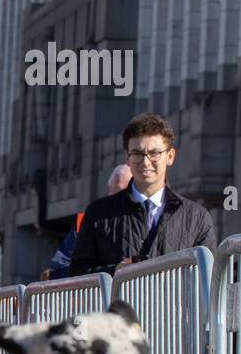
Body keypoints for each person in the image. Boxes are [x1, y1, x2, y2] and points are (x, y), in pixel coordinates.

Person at [70, 113, 215, 276]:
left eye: (154, 153)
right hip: (118, 302)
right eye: (137, 154)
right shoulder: (98, 214)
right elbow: (78, 273)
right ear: (127, 158)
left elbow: (208, 278)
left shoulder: (197, 217)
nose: (145, 162)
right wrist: (116, 272)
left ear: (170, 156)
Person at [43, 163, 131, 280]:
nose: (114, 196)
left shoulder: (149, 217)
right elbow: (57, 269)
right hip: (94, 295)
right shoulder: (86, 221)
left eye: (122, 191)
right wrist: (107, 271)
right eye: (114, 189)